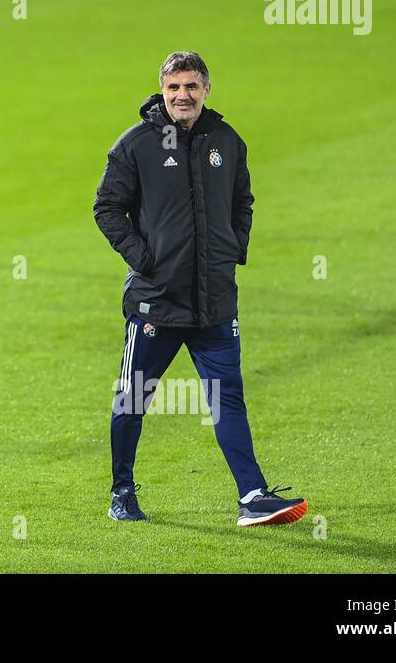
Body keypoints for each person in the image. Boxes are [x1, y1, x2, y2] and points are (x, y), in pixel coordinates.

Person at [92, 51, 308, 526]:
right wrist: (147, 260)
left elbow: (241, 201)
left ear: (207, 89)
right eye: (174, 87)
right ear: (162, 90)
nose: (182, 96)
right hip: (157, 303)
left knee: (227, 397)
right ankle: (122, 492)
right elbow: (107, 207)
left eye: (191, 86)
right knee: (133, 397)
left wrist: (231, 250)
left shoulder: (226, 141)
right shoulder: (137, 145)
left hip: (214, 301)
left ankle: (252, 496)